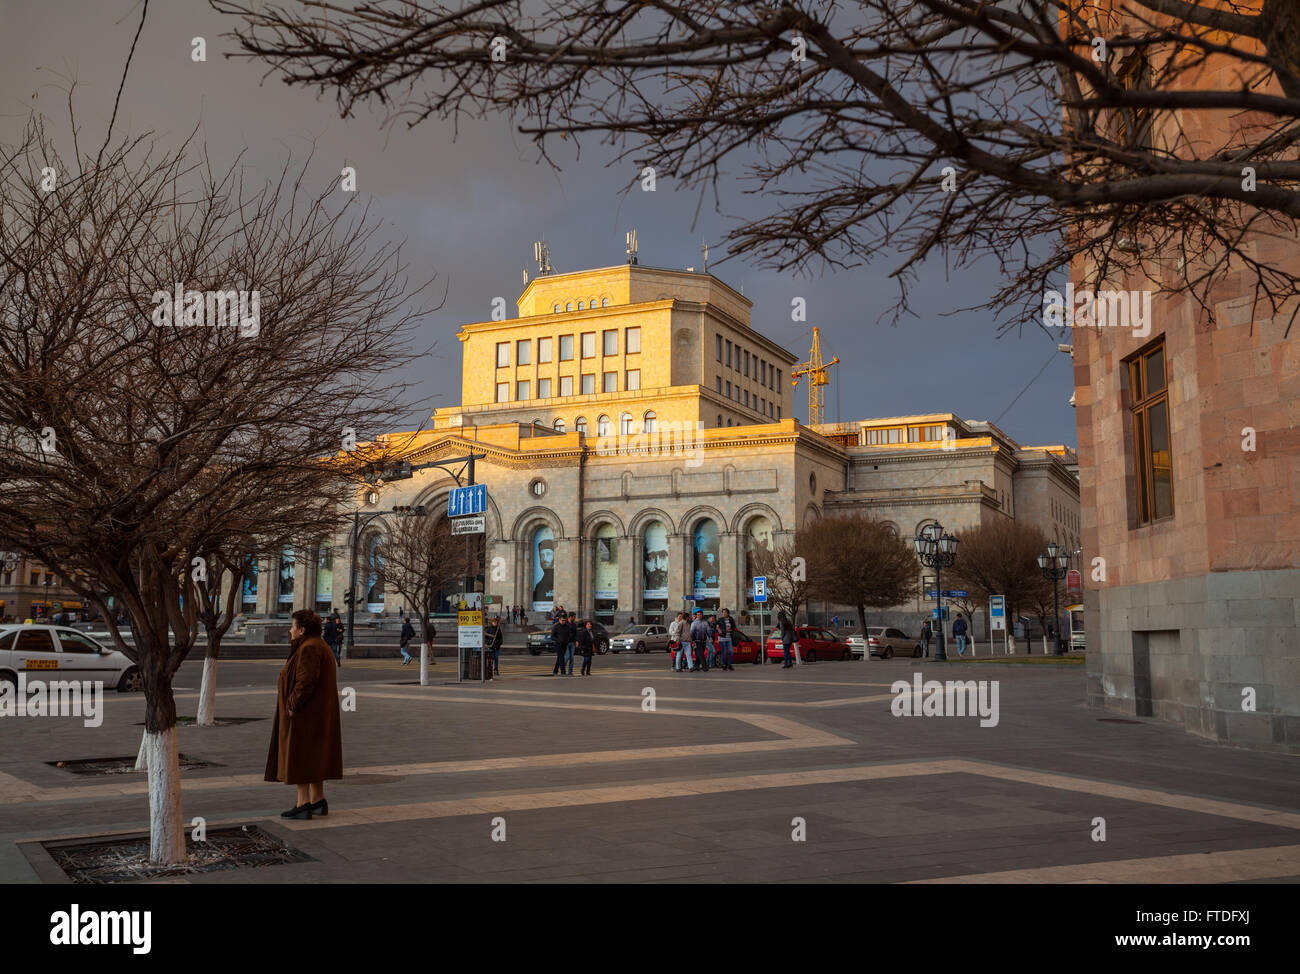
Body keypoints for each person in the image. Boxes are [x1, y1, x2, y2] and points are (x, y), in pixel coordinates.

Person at [265, 609, 343, 820]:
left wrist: (292, 706)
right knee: (314, 756)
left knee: (301, 757)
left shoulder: (308, 648)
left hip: (305, 714)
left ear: (302, 629)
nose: (290, 630)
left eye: (293, 626)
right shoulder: (320, 645)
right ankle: (318, 800)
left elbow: (305, 682)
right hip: (317, 713)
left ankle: (303, 803)